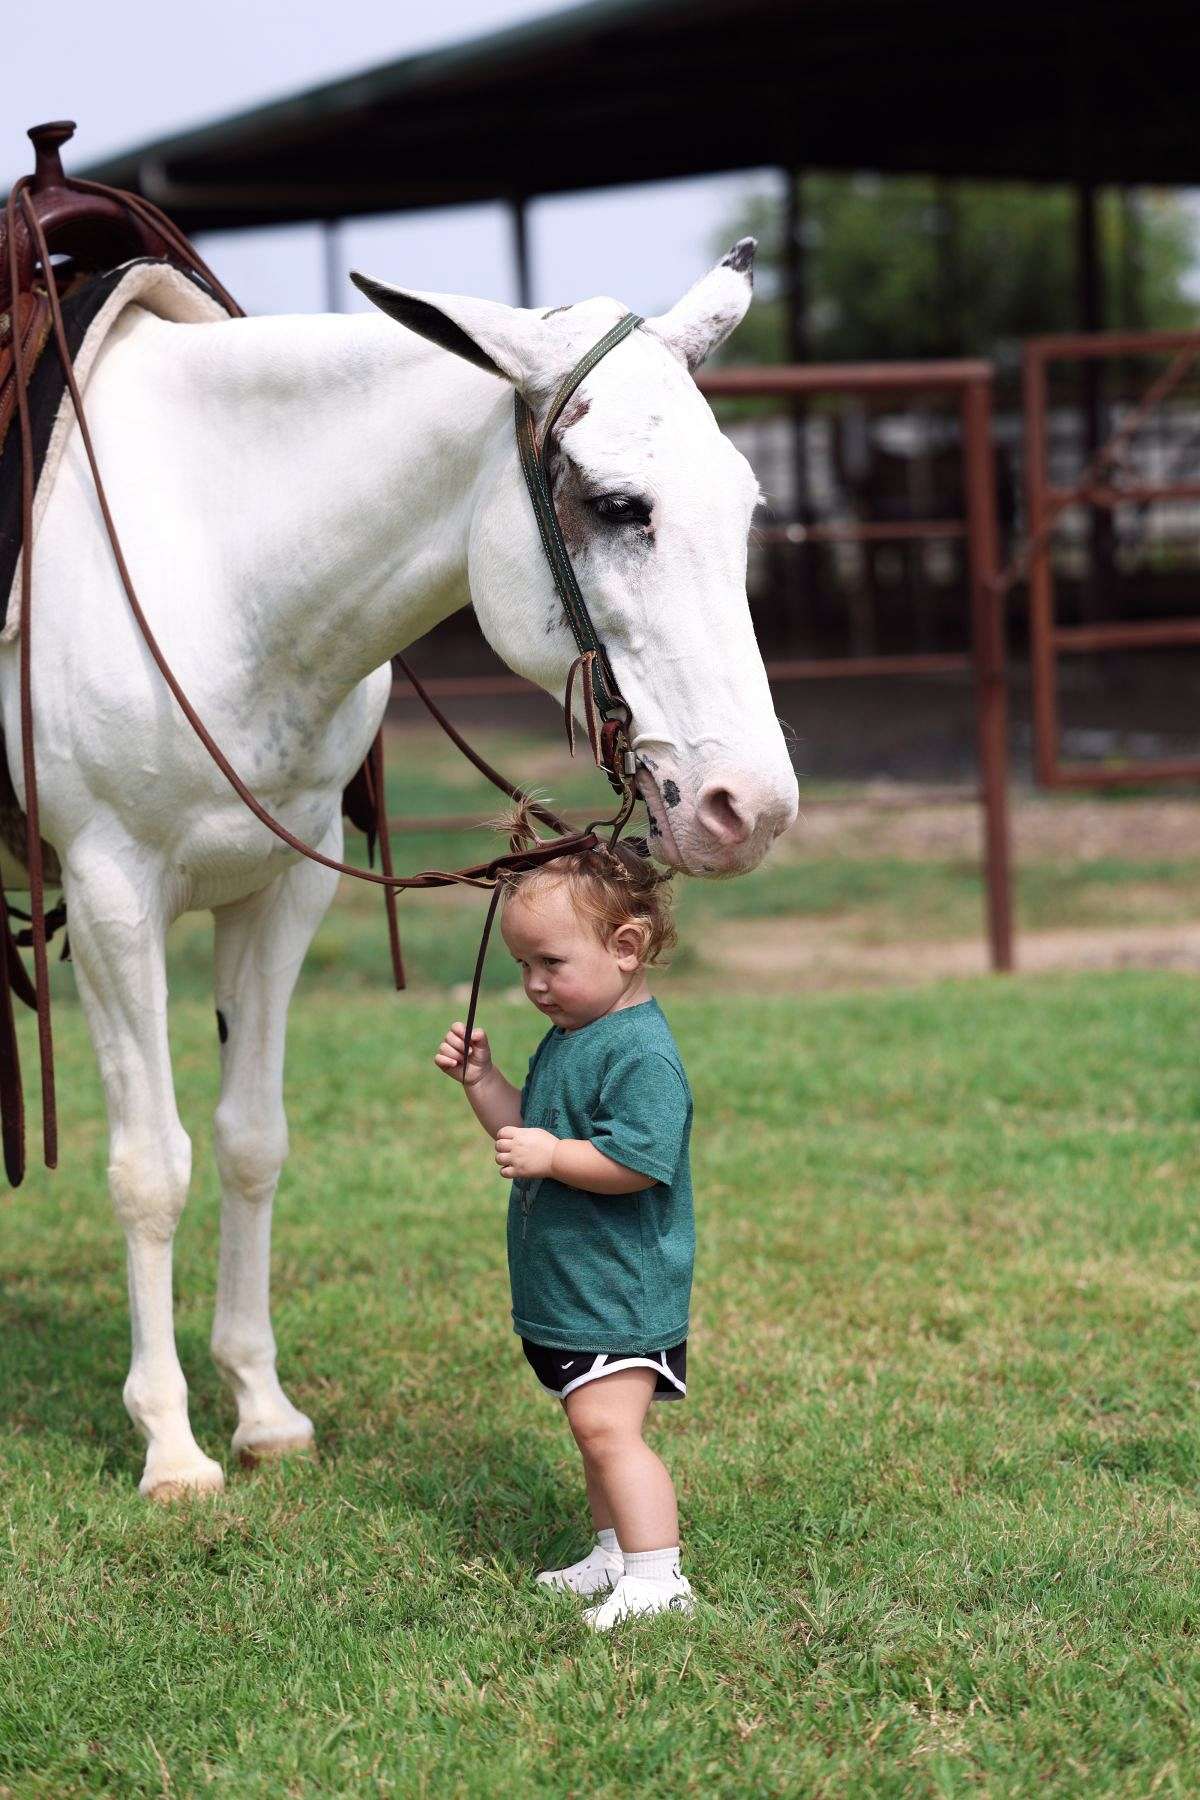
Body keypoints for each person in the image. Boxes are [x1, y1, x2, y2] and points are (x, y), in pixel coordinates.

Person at [434, 833, 696, 1630]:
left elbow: (639, 1163)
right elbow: (527, 1127)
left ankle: (659, 1578)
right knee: (590, 1431)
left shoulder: (641, 1055)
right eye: (522, 966)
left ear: (626, 948)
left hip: (621, 1290)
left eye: (550, 962)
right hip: (574, 1288)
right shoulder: (575, 1035)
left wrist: (552, 1156)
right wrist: (484, 1081)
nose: (534, 985)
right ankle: (614, 1552)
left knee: (608, 1430)